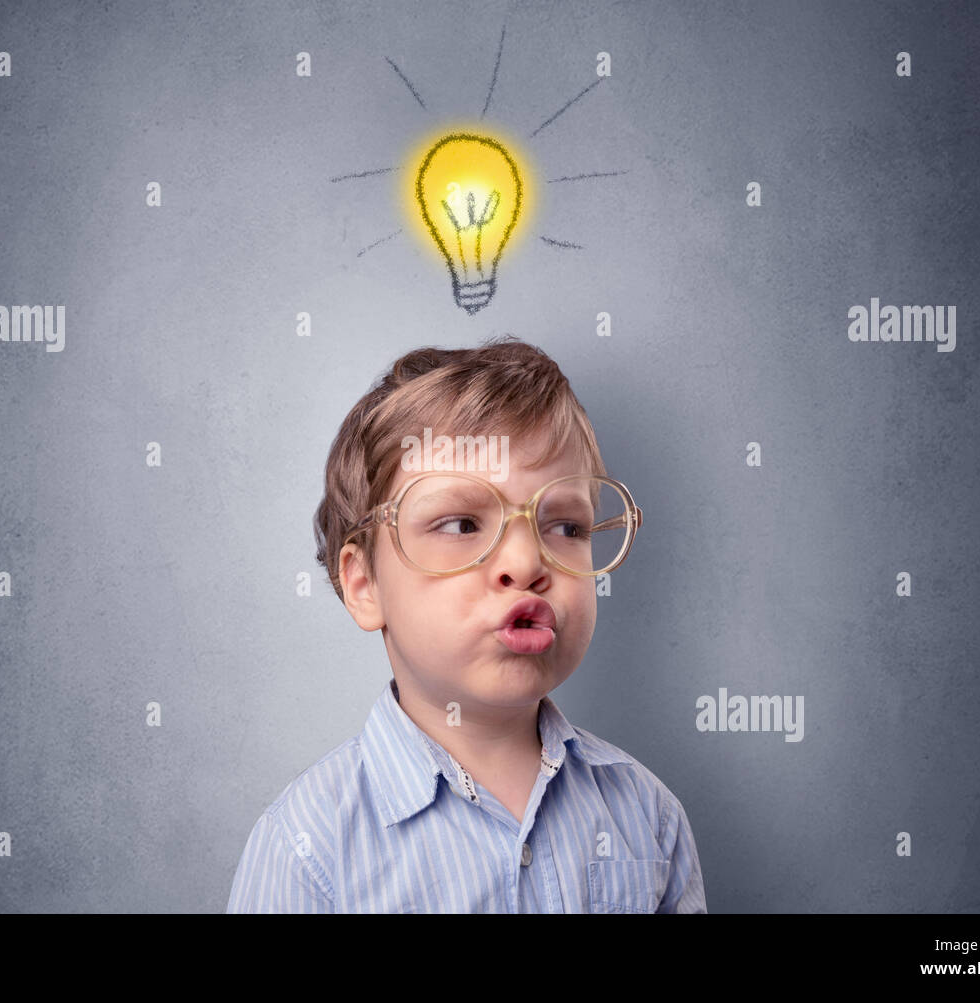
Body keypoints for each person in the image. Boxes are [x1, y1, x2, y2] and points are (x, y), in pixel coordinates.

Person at [226, 336, 706, 913]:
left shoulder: (647, 815)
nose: (527, 564)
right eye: (460, 525)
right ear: (364, 585)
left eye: (566, 527)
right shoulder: (309, 847)